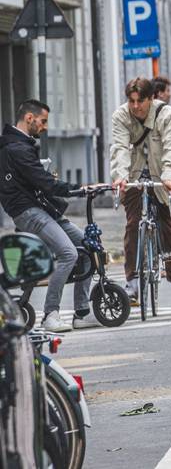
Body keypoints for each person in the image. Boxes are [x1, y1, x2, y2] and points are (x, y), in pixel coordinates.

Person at [0, 100, 91, 331]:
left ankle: (81, 312)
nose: (45, 127)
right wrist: (80, 189)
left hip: (41, 209)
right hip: (28, 212)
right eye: (43, 121)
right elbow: (46, 183)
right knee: (68, 253)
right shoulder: (15, 149)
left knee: (87, 246)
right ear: (29, 118)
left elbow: (40, 182)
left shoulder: (21, 145)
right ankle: (50, 314)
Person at [110, 78, 171, 314]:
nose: (135, 106)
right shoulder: (121, 116)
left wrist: (169, 177)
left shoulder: (167, 115)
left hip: (164, 176)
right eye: (131, 101)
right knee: (133, 225)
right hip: (135, 175)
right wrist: (120, 177)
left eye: (140, 101)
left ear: (150, 98)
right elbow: (119, 149)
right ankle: (132, 283)